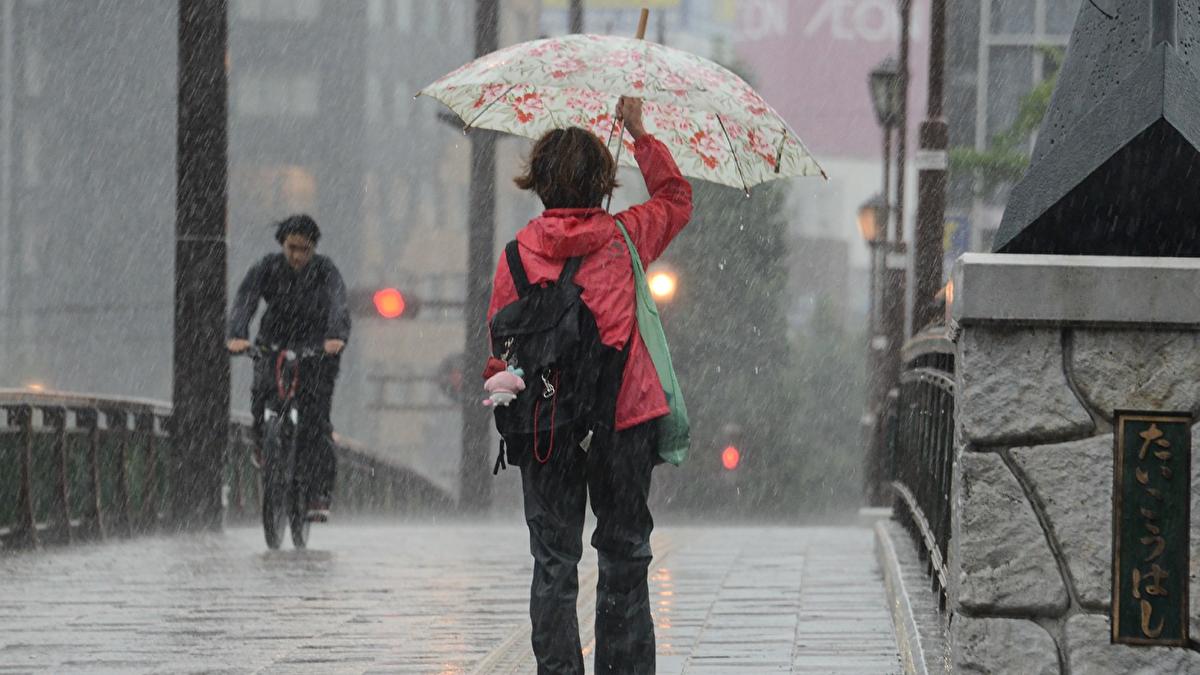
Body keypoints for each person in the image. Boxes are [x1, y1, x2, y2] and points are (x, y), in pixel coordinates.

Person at [487, 97, 692, 674]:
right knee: (623, 557)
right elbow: (677, 199)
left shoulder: (514, 258)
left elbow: (498, 354)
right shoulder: (625, 239)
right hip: (621, 425)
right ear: (603, 183)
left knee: (553, 562)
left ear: (540, 182)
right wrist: (639, 134)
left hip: (546, 429)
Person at [227, 214, 350, 522]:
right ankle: (263, 441)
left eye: (304, 250)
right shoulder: (267, 268)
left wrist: (335, 337)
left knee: (316, 417)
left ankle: (318, 494)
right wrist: (238, 334)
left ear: (313, 250)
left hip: (316, 348)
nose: (297, 256)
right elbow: (246, 300)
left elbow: (338, 304)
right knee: (262, 393)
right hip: (274, 341)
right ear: (282, 244)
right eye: (292, 248)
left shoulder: (326, 272)